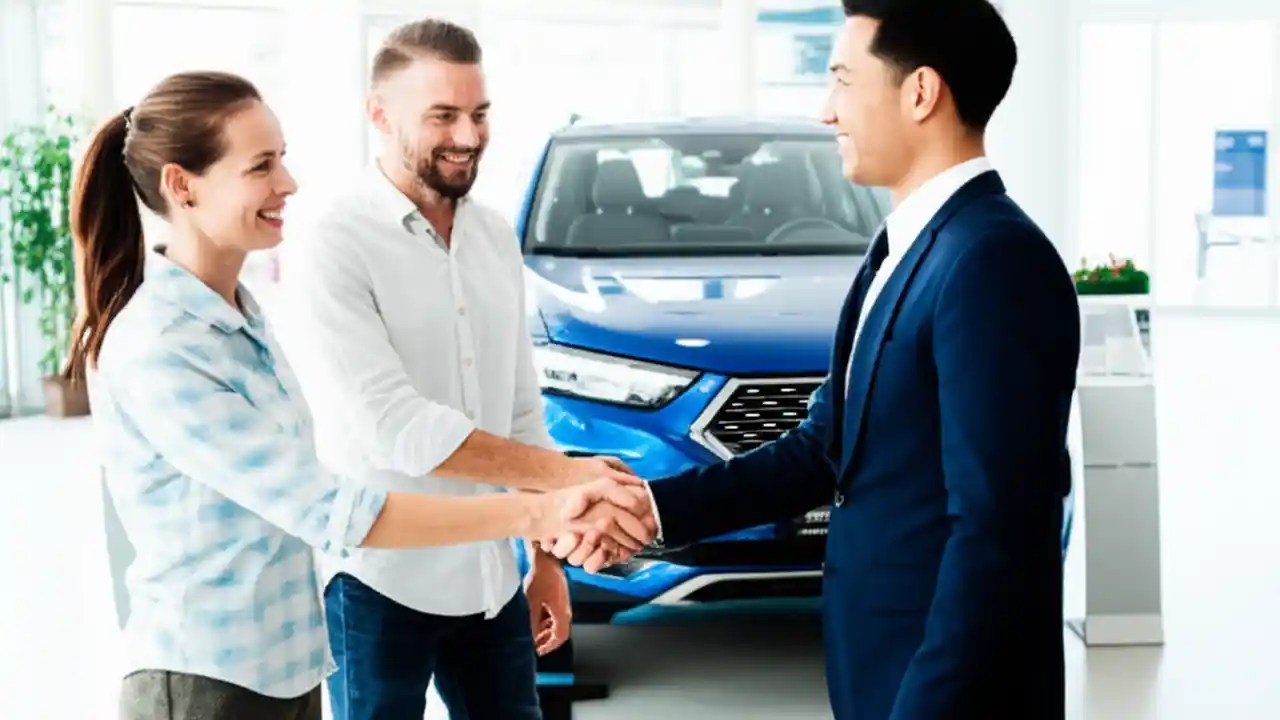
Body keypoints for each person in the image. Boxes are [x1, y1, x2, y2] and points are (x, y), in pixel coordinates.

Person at [548, 2, 1081, 718]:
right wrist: (651, 506)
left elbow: (998, 533)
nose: (827, 112)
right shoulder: (901, 250)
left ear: (919, 93)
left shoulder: (994, 260)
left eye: (841, 80)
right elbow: (824, 449)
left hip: (943, 690)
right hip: (880, 665)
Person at [68, 70, 651, 720]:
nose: (287, 183)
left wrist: (546, 532)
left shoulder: (244, 320)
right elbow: (330, 509)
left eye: (282, 158)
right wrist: (540, 513)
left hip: (286, 668)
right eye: (261, 166)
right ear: (183, 186)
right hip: (206, 680)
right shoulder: (162, 345)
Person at [273, 18, 654, 720]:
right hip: (376, 584)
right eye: (442, 115)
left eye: (479, 114)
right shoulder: (332, 244)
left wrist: (546, 560)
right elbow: (396, 429)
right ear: (379, 116)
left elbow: (518, 412)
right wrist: (574, 481)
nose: (469, 136)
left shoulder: (492, 236)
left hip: (489, 581)